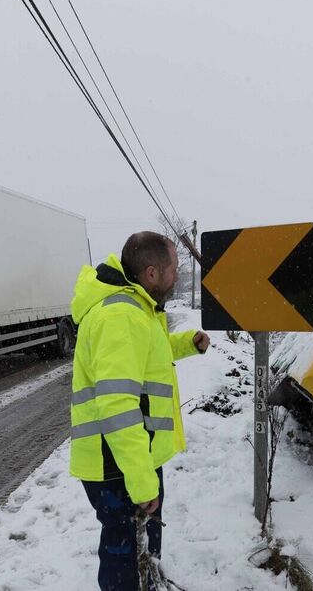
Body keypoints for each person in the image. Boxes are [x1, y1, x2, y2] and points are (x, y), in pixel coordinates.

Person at [69, 231, 209, 590]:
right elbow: (118, 406)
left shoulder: (137, 309)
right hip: (117, 463)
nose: (177, 275)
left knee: (140, 551)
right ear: (151, 273)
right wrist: (142, 481)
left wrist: (186, 345)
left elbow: (147, 357)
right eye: (174, 268)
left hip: (130, 459)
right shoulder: (121, 316)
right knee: (124, 561)